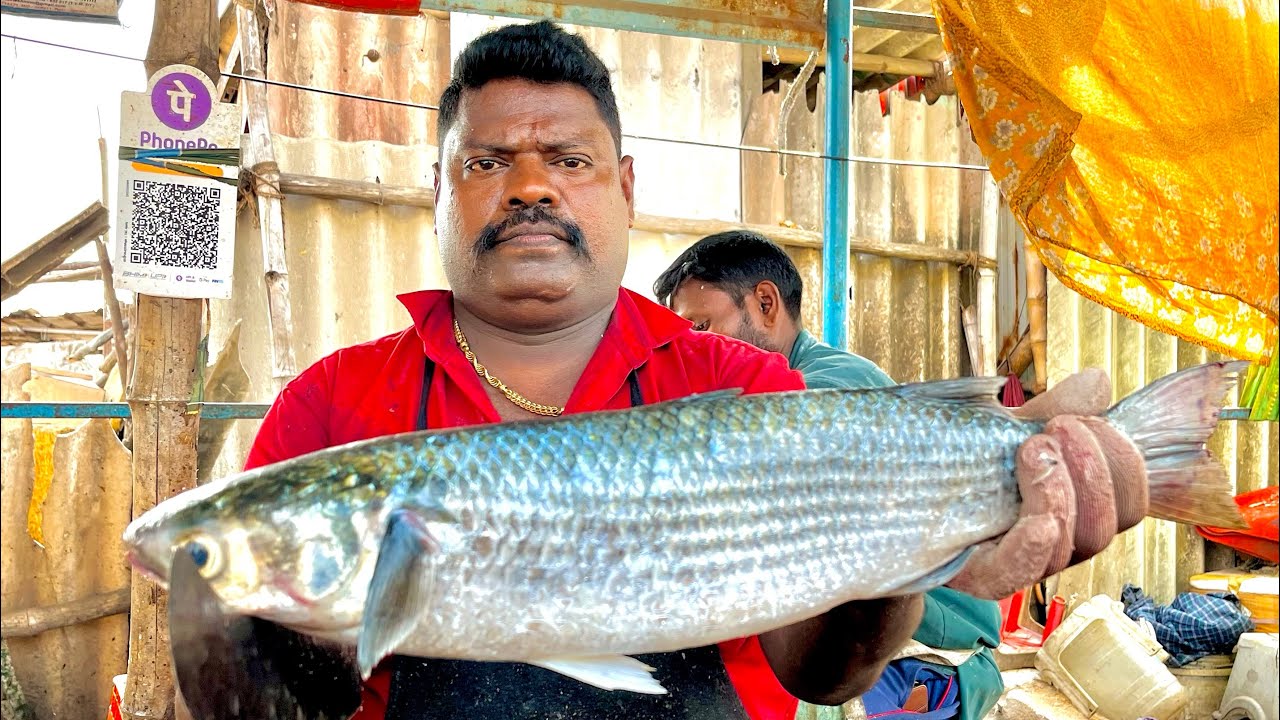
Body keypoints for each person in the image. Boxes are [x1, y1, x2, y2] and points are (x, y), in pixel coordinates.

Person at [245, 20, 1147, 720]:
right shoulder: (329, 407)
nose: (530, 187)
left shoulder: (739, 385)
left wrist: (899, 565)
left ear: (626, 187)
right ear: (437, 189)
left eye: (569, 160)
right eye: (486, 162)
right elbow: (260, 693)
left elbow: (823, 674)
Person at [654, 230, 999, 719]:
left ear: (766, 303)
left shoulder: (826, 391)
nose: (693, 350)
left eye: (703, 327)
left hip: (923, 653)